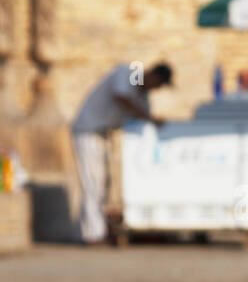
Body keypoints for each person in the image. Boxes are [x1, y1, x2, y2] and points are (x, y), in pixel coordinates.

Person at [72, 61, 173, 243]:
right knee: (92, 183)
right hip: (88, 131)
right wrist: (148, 117)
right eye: (158, 84)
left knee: (103, 184)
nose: (157, 89)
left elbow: (141, 118)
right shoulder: (129, 73)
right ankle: (93, 235)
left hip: (103, 134)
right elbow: (121, 96)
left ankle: (100, 229)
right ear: (153, 75)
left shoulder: (143, 98)